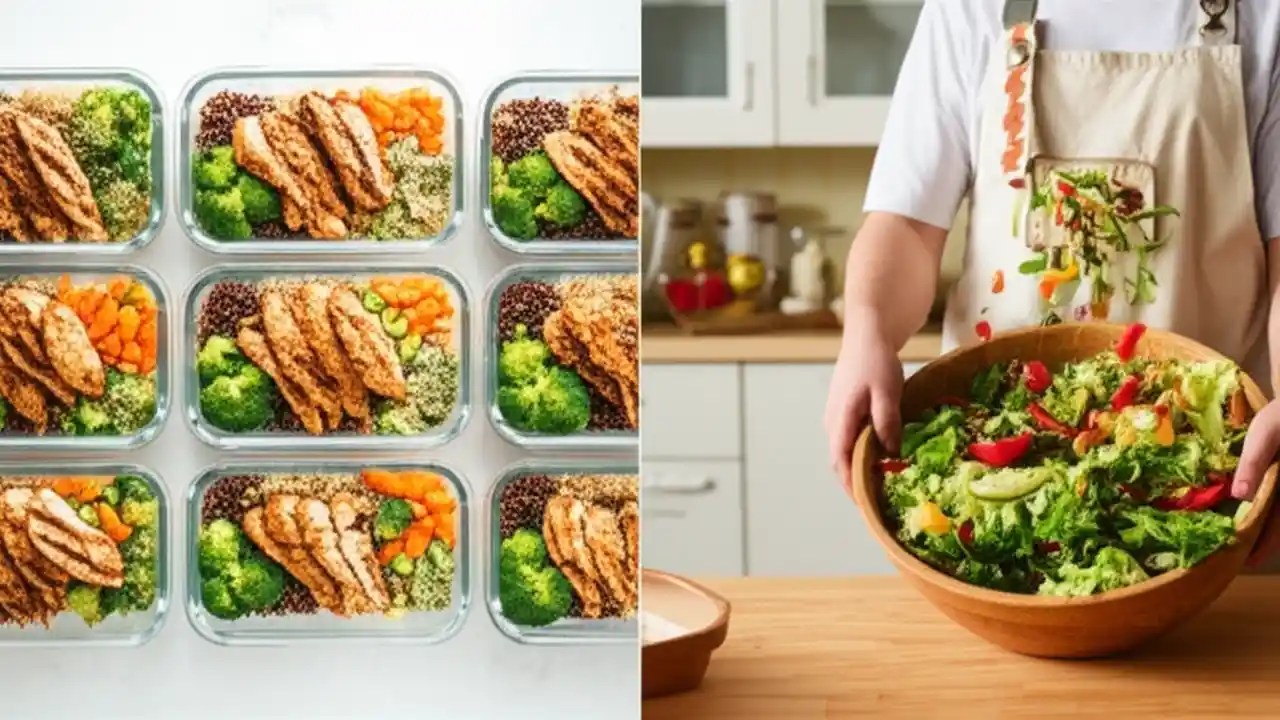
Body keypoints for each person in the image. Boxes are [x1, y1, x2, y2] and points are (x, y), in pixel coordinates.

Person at [824, 0, 1280, 562]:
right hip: (994, 469)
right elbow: (910, 227)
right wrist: (866, 331)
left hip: (1205, 488)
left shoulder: (1264, 14)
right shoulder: (967, 8)